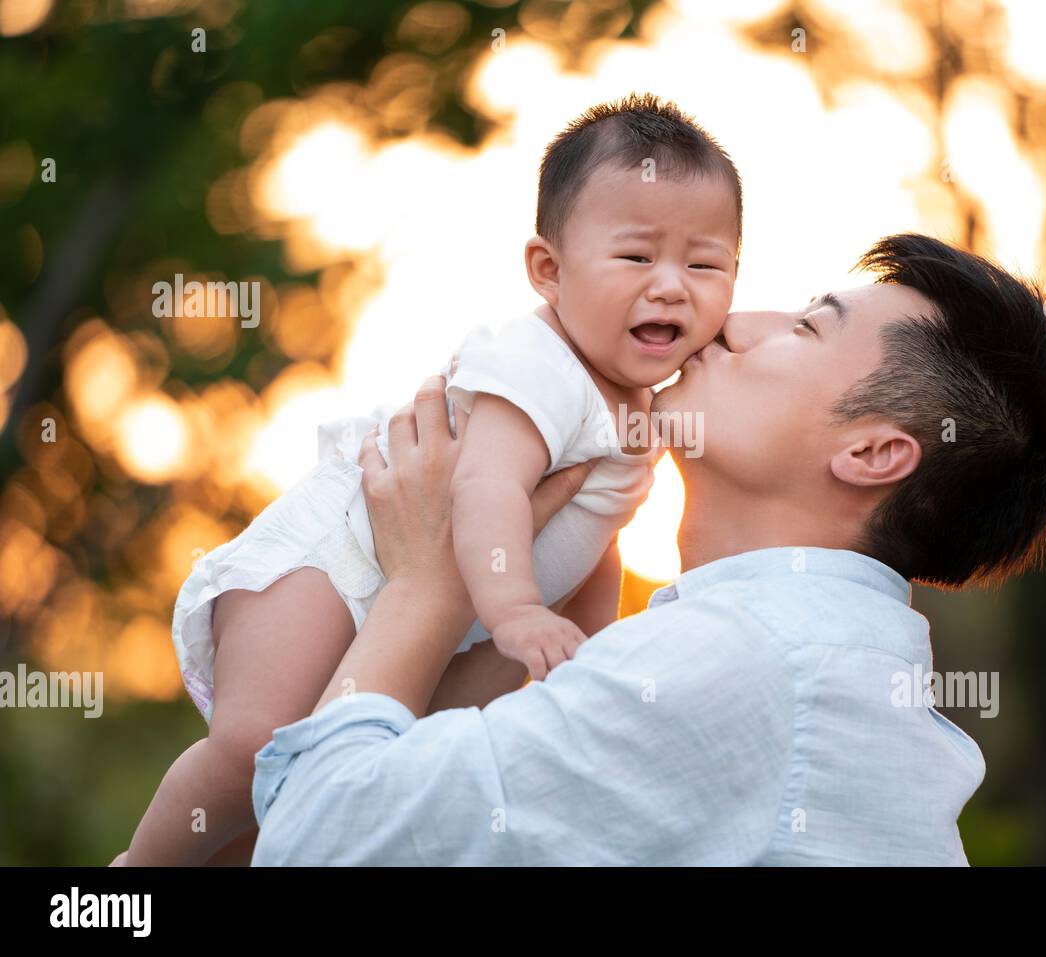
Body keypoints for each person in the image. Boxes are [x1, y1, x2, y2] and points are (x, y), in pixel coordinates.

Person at [247, 233, 1046, 865]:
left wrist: (426, 586)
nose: (732, 321)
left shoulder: (742, 663)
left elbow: (318, 845)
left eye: (806, 327)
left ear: (871, 453)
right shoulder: (801, 660)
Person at [113, 93, 739, 866]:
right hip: (337, 560)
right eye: (638, 256)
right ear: (549, 269)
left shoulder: (639, 411)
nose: (673, 285)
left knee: (300, 791)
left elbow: (595, 533)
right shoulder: (538, 364)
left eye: (705, 264)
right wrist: (516, 613)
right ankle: (131, 876)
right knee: (255, 741)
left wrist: (591, 649)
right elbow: (488, 487)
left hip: (418, 606)